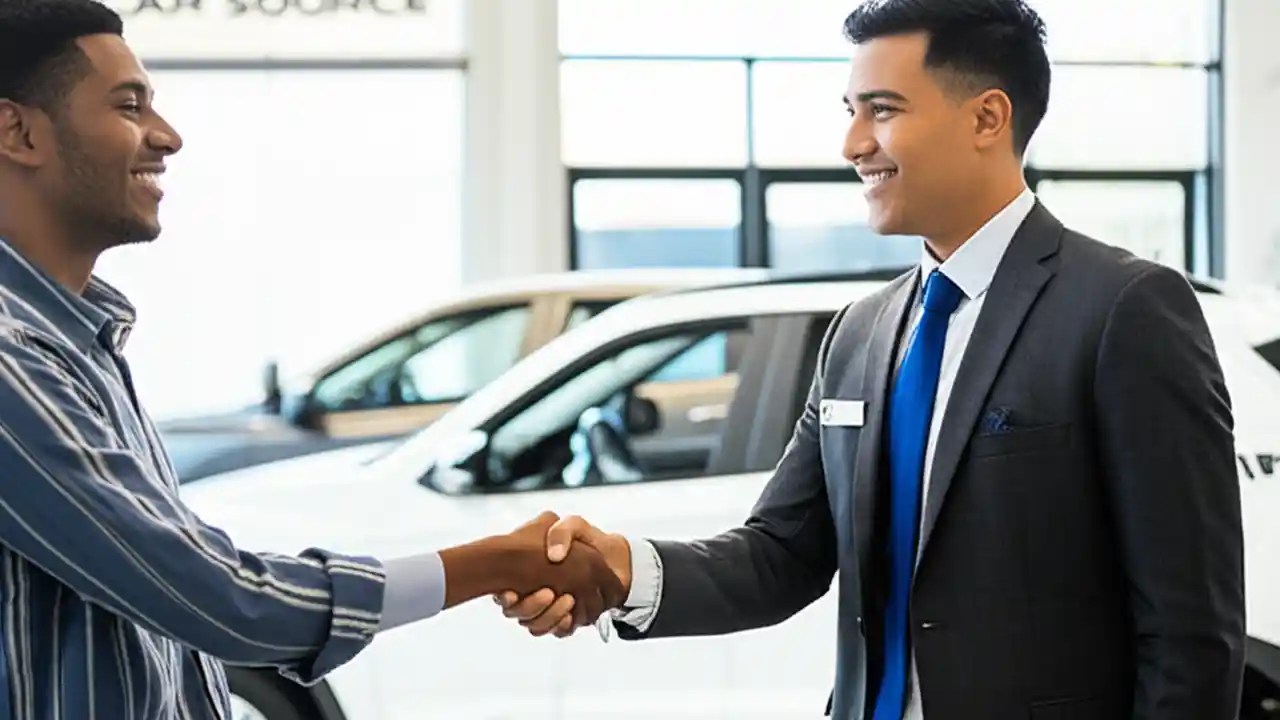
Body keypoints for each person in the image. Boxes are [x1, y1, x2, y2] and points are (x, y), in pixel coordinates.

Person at [498, 0, 1248, 718]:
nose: (853, 143)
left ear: (988, 116)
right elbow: (778, 556)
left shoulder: (1124, 310)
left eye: (882, 110)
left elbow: (1191, 631)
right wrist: (620, 569)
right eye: (851, 111)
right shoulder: (861, 331)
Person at [0, 2, 624, 719]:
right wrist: (495, 563)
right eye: (129, 105)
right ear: (18, 132)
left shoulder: (81, 342)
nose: (166, 137)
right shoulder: (11, 358)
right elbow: (216, 599)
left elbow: (159, 631)